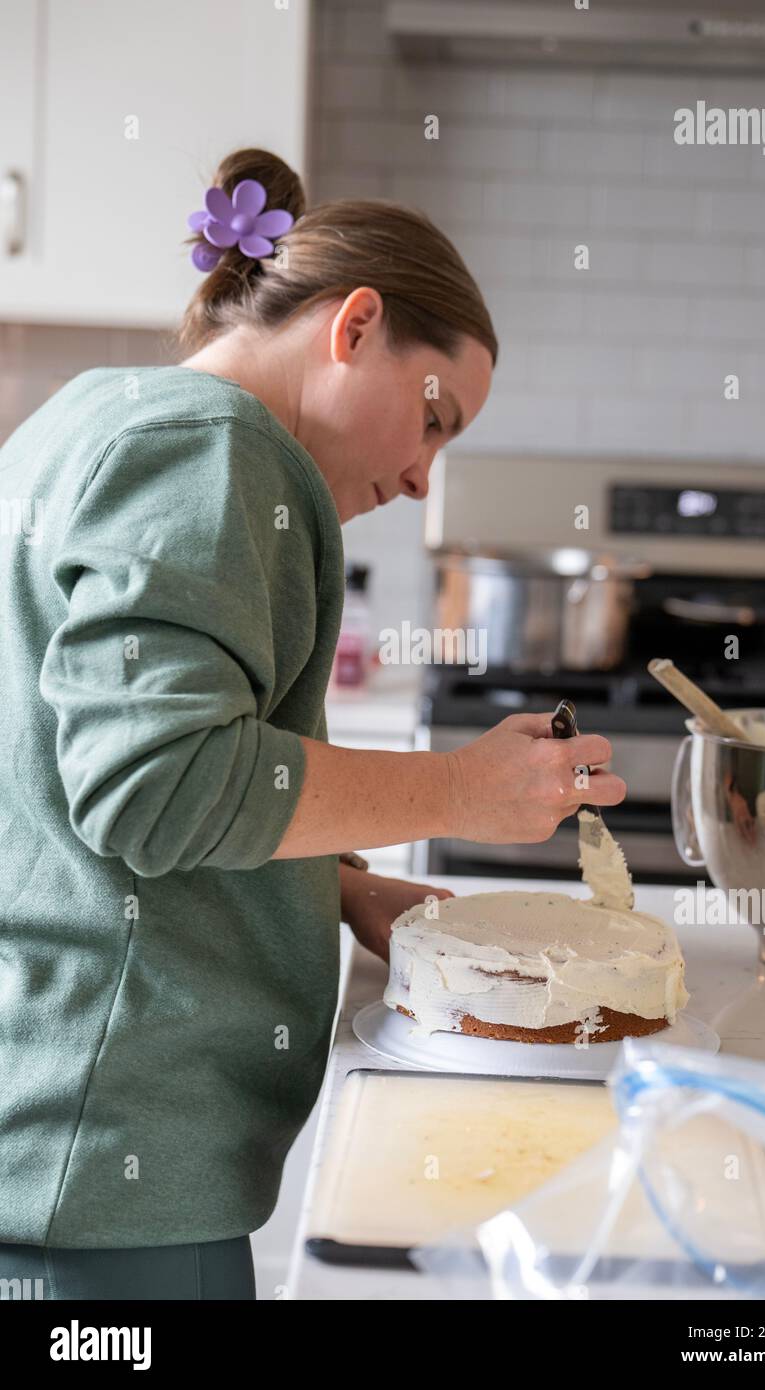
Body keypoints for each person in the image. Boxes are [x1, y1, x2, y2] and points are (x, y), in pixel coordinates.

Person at [0, 148, 625, 1300]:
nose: (424, 476)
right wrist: (456, 792)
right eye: (435, 417)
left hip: (60, 1136)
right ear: (355, 325)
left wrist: (337, 888)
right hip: (105, 1174)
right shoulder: (216, 449)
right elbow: (159, 786)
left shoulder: (93, 412)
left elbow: (76, 781)